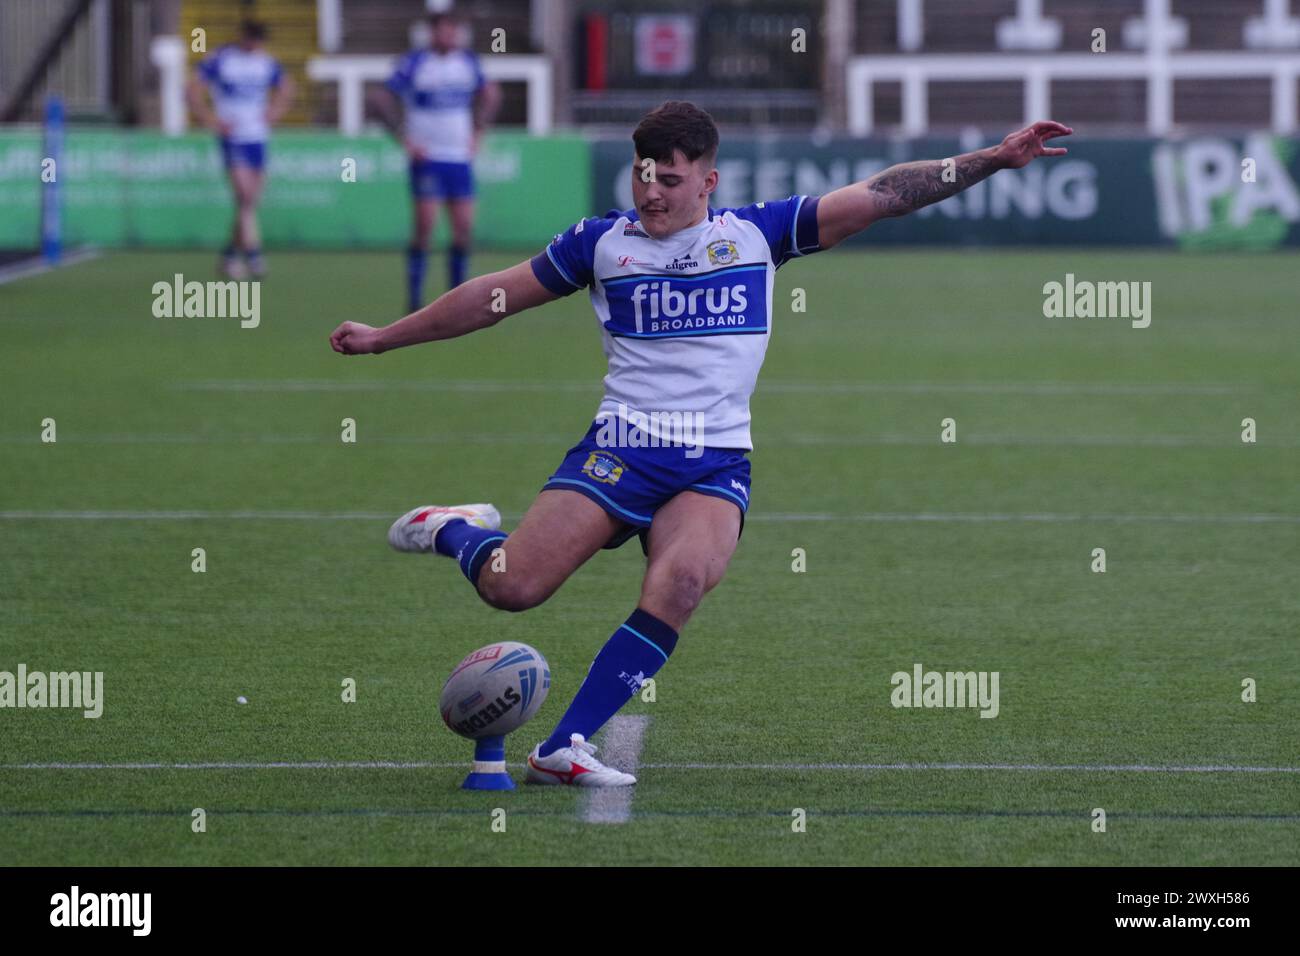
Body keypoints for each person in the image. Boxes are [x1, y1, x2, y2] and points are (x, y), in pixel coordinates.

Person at [330, 101, 1072, 787]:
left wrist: (994, 159)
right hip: (620, 450)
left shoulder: (758, 235)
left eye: (670, 179)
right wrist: (385, 339)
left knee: (682, 584)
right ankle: (453, 530)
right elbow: (492, 297)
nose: (651, 193)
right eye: (642, 176)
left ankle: (563, 746)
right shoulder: (600, 244)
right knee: (513, 589)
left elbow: (884, 192)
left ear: (707, 180)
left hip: (714, 460)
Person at [372, 10, 501, 311]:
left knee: (464, 230)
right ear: (431, 33)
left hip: (459, 159)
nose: (447, 36)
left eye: (451, 30)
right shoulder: (415, 62)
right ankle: (415, 301)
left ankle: (457, 302)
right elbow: (380, 98)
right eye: (441, 30)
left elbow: (492, 94)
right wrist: (403, 137)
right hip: (428, 159)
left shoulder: (468, 62)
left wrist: (479, 129)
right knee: (425, 229)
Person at [187, 19, 293, 279]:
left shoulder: (266, 62)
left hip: (257, 136)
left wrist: (275, 113)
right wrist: (210, 120)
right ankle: (255, 258)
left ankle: (229, 256)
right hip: (233, 137)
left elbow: (287, 89)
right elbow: (192, 90)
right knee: (245, 197)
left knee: (248, 202)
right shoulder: (222, 59)